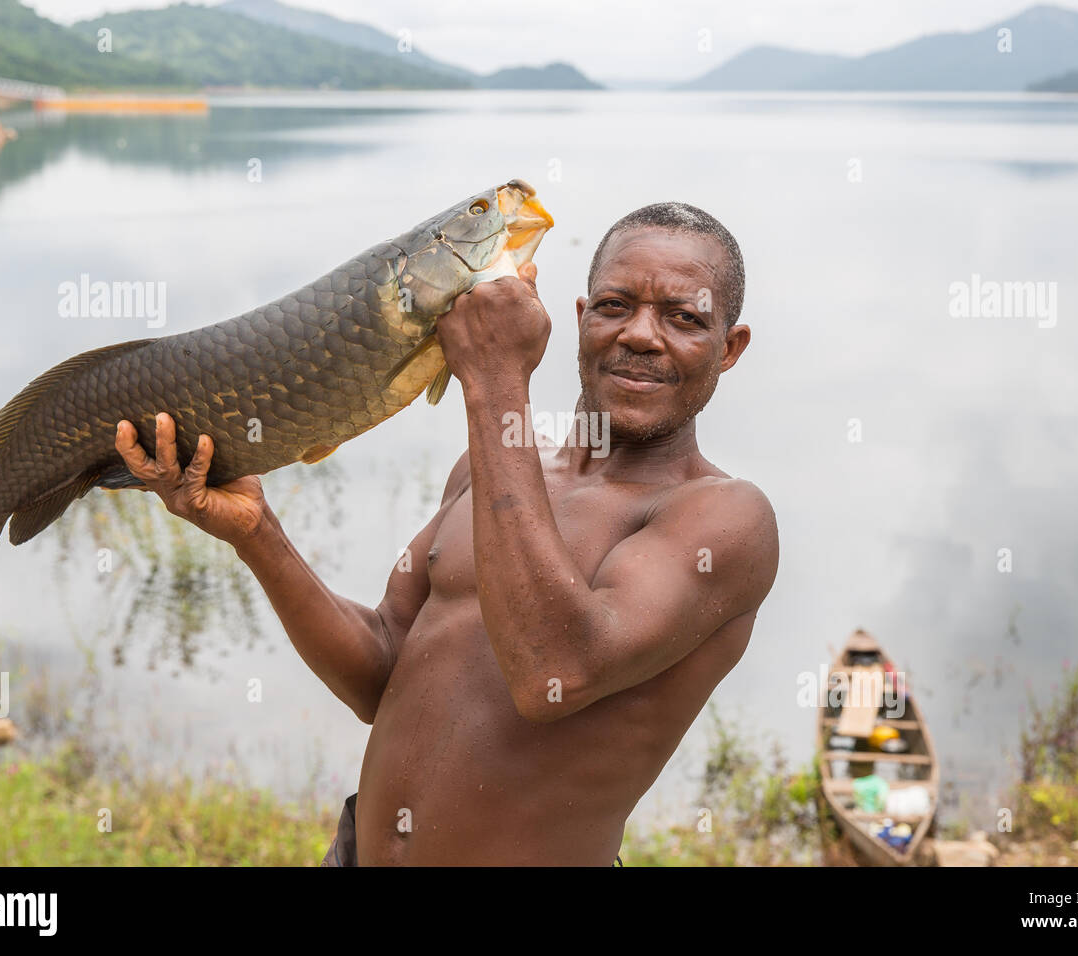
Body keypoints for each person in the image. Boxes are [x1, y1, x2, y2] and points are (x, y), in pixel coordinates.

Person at [114, 202, 779, 865]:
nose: (640, 334)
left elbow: (554, 670)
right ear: (581, 320)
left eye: (684, 318)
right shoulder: (494, 471)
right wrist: (257, 533)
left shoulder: (722, 518)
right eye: (615, 305)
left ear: (729, 348)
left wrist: (493, 377)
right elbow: (379, 673)